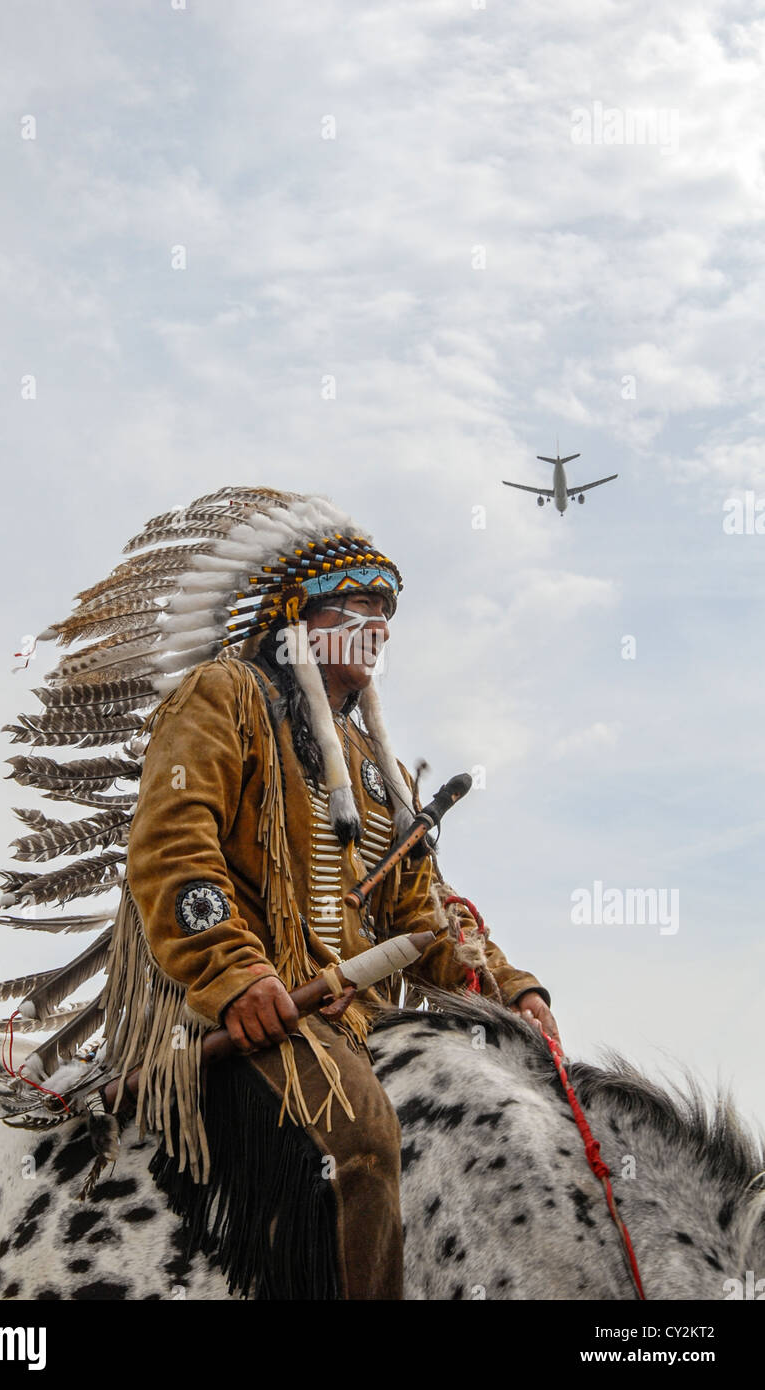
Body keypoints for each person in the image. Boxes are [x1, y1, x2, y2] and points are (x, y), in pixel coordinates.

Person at [111, 508, 560, 1299]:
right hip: (247, 1009)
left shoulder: (375, 769)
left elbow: (426, 913)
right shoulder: (224, 695)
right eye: (358, 604)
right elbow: (173, 844)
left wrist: (508, 984)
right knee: (365, 1134)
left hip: (352, 1016)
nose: (379, 624)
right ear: (299, 616)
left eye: (388, 610)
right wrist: (234, 973)